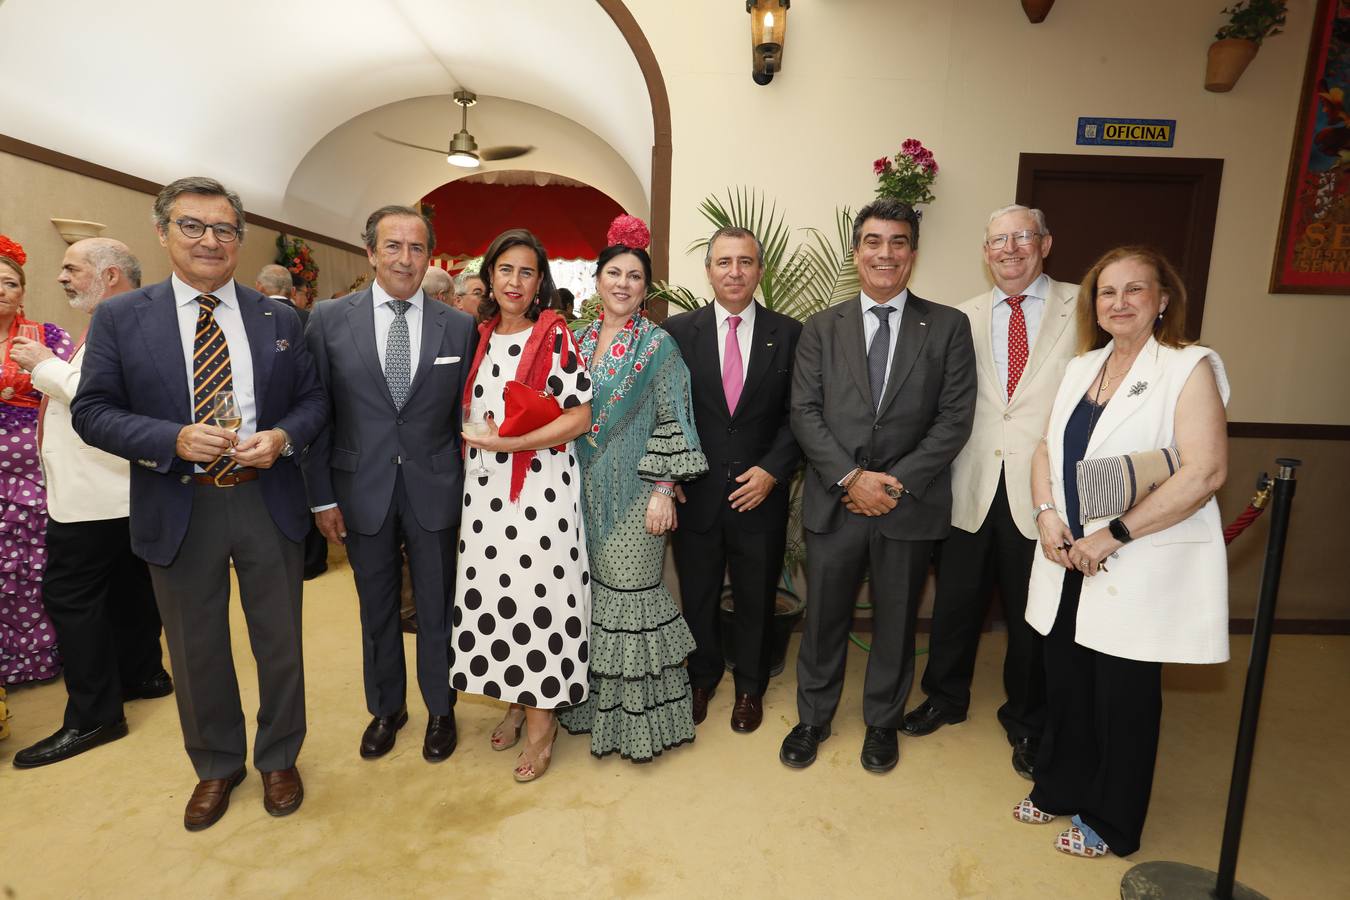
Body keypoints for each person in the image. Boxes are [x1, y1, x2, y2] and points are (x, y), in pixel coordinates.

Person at [72, 176, 327, 831]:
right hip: (178, 502)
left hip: (264, 497)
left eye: (224, 229)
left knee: (280, 644)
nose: (210, 241)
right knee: (196, 648)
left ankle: (278, 756)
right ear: (163, 233)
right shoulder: (123, 318)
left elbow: (313, 402)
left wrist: (283, 437)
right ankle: (216, 765)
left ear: (240, 238)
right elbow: (93, 411)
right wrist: (171, 438)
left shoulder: (279, 317)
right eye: (193, 226)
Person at [1013, 246, 1229, 859]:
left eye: (1136, 290)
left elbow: (1205, 471)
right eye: (1108, 292)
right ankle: (1060, 786)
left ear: (1163, 300)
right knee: (1068, 686)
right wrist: (1046, 514)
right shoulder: (1083, 367)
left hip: (1135, 561)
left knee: (1123, 699)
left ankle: (1112, 820)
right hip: (1067, 558)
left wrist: (1115, 535)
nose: (1120, 302)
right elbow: (1043, 452)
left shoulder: (1187, 368)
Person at [782, 198, 976, 773]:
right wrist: (850, 477)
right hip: (835, 500)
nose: (884, 254)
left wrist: (894, 484)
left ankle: (882, 723)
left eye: (896, 243)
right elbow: (804, 411)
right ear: (857, 250)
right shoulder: (821, 327)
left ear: (912, 254)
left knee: (895, 622)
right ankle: (813, 717)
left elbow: (954, 418)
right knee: (823, 620)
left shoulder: (946, 326)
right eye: (873, 241)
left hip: (907, 505)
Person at [901, 205, 1078, 779]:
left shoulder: (1086, 308)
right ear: (984, 252)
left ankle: (1026, 720)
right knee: (955, 604)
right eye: (997, 240)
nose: (1009, 249)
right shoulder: (960, 317)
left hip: (1044, 492)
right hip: (970, 484)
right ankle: (946, 697)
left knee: (1033, 617)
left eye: (1022, 237)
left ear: (1045, 243)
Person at [303, 205, 477, 764]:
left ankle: (441, 709)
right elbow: (315, 412)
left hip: (436, 488)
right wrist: (322, 496)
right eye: (394, 246)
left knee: (437, 605)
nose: (406, 258)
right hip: (361, 490)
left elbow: (465, 414)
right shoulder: (328, 320)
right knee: (374, 607)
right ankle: (386, 709)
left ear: (431, 256)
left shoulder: (459, 325)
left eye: (417, 248)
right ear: (371, 252)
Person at [11, 238, 171, 769]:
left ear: (108, 277)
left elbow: (101, 396)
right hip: (109, 490)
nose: (62, 277)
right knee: (129, 589)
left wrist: (43, 365)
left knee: (71, 599)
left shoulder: (126, 322)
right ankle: (143, 674)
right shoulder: (118, 320)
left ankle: (93, 715)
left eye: (71, 268)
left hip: (96, 494)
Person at [558, 217, 708, 760]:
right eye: (614, 273)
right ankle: (593, 711)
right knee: (589, 597)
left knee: (632, 599)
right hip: (574, 492)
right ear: (597, 280)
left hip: (637, 495)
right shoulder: (572, 341)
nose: (623, 283)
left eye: (635, 277)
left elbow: (675, 418)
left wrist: (665, 488)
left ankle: (640, 724)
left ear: (647, 288)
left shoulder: (660, 345)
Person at [451, 228, 593, 782]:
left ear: (540, 284)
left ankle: (542, 725)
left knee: (540, 600)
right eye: (505, 269)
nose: (514, 281)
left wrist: (508, 444)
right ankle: (515, 698)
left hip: (540, 492)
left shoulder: (555, 335)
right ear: (489, 276)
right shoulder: (481, 336)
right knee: (495, 594)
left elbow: (579, 416)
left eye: (526, 272)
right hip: (485, 495)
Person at [663, 226, 801, 733]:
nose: (735, 272)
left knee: (756, 597)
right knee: (696, 594)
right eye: (724, 262)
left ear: (759, 270)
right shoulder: (678, 333)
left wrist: (771, 470)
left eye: (745, 262)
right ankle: (702, 678)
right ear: (709, 271)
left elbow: (800, 415)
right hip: (696, 494)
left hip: (759, 494)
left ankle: (749, 688)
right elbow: (667, 413)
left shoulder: (789, 334)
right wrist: (669, 473)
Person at [0, 235, 76, 688]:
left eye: (10, 283)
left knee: (39, 564)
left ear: (23, 292)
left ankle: (44, 655)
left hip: (36, 472)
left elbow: (71, 388)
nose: (2, 290)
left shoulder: (45, 336)